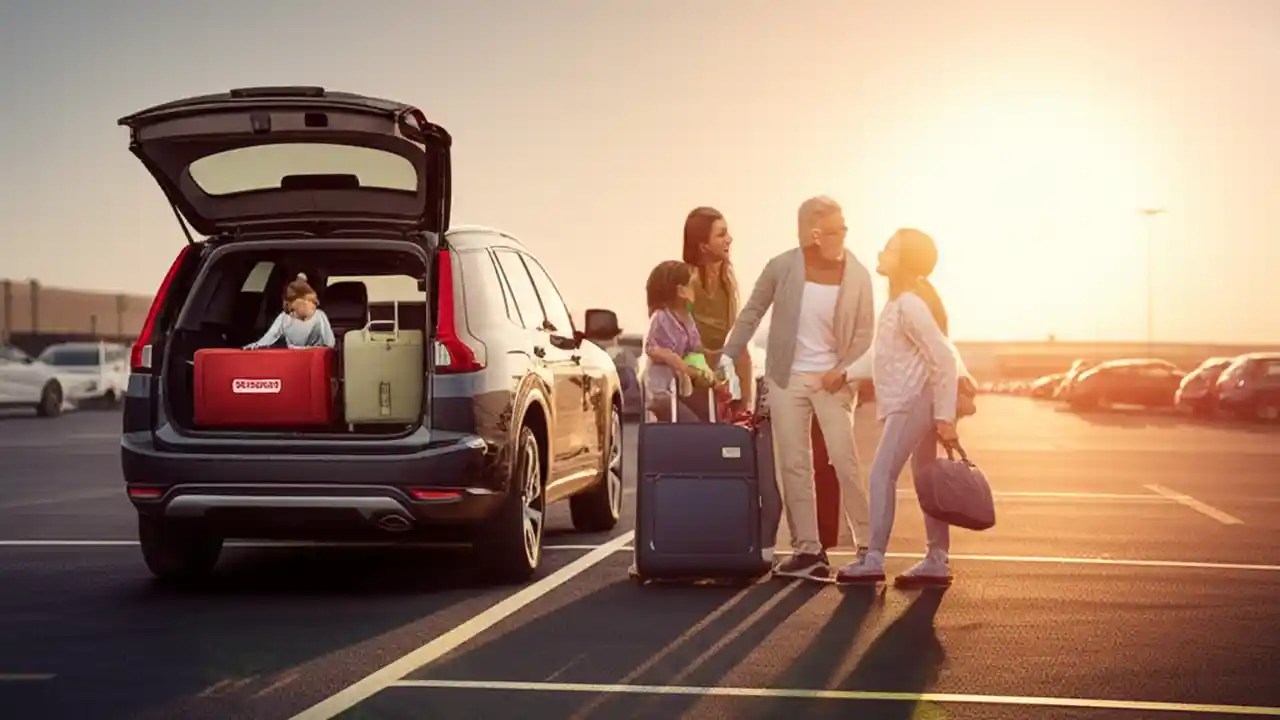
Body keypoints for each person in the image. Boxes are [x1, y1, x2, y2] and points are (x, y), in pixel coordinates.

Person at [718, 196, 874, 581]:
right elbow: (751, 312)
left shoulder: (858, 275)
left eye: (844, 228)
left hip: (832, 382)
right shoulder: (782, 267)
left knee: (844, 460)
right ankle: (809, 551)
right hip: (786, 379)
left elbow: (865, 333)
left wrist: (842, 371)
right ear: (813, 233)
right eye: (836, 230)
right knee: (793, 464)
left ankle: (869, 547)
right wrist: (727, 356)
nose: (843, 236)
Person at [835, 228, 961, 587]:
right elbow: (882, 357)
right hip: (916, 399)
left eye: (890, 247)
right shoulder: (899, 303)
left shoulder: (909, 304)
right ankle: (937, 559)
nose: (881, 250)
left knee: (881, 473)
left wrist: (945, 417)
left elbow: (944, 358)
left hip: (913, 400)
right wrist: (842, 374)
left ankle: (873, 558)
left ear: (903, 260)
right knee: (925, 479)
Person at [682, 207, 753, 418]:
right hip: (687, 382)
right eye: (721, 234)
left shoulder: (728, 283)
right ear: (703, 245)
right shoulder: (688, 282)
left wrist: (747, 399)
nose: (729, 239)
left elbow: (738, 343)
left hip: (715, 380)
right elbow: (682, 342)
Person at [642, 261, 716, 422]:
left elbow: (696, 350)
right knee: (691, 424)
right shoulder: (661, 317)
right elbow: (651, 348)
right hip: (661, 390)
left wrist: (706, 370)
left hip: (679, 388)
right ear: (681, 291)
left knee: (706, 418)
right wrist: (675, 361)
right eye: (692, 283)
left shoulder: (688, 320)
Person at [244, 273, 336, 350]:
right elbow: (270, 336)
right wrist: (256, 346)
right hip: (292, 358)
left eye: (313, 301)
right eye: (306, 301)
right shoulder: (284, 318)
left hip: (313, 357)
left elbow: (329, 343)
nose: (312, 305)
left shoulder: (319, 316)